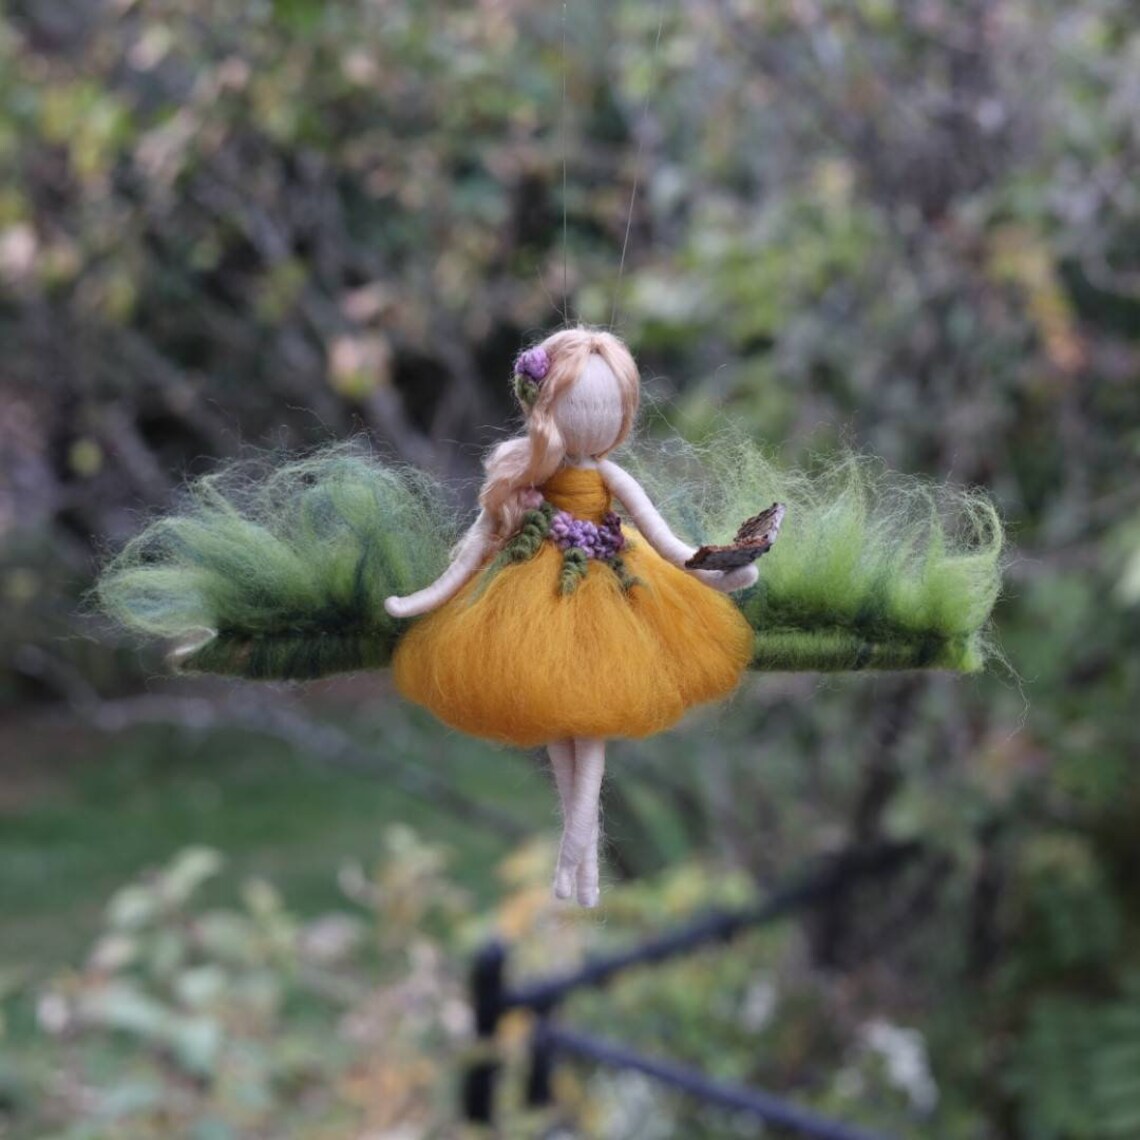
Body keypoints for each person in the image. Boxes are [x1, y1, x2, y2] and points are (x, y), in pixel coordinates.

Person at [386, 328, 758, 906]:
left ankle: (576, 862)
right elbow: (474, 544)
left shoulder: (610, 478)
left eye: (611, 407)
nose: (596, 418)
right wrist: (426, 597)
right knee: (562, 731)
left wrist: (714, 571)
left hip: (612, 584)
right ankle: (578, 866)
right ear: (542, 406)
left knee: (590, 733)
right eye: (581, 405)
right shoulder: (527, 478)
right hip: (539, 593)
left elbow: (665, 541)